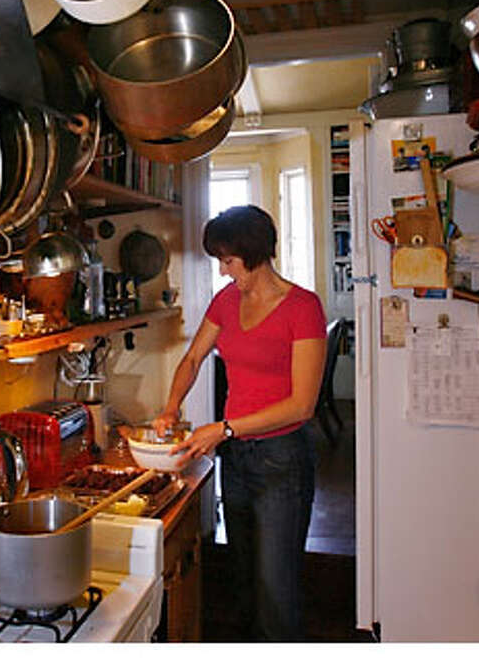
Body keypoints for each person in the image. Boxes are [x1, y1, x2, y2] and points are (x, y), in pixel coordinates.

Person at [152, 204, 327, 641]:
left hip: (281, 460)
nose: (225, 271)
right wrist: (172, 405)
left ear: (253, 252)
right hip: (237, 460)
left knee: (276, 588)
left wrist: (225, 428)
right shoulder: (227, 301)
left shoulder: (302, 307)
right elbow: (193, 359)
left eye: (228, 261)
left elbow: (302, 405)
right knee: (245, 578)